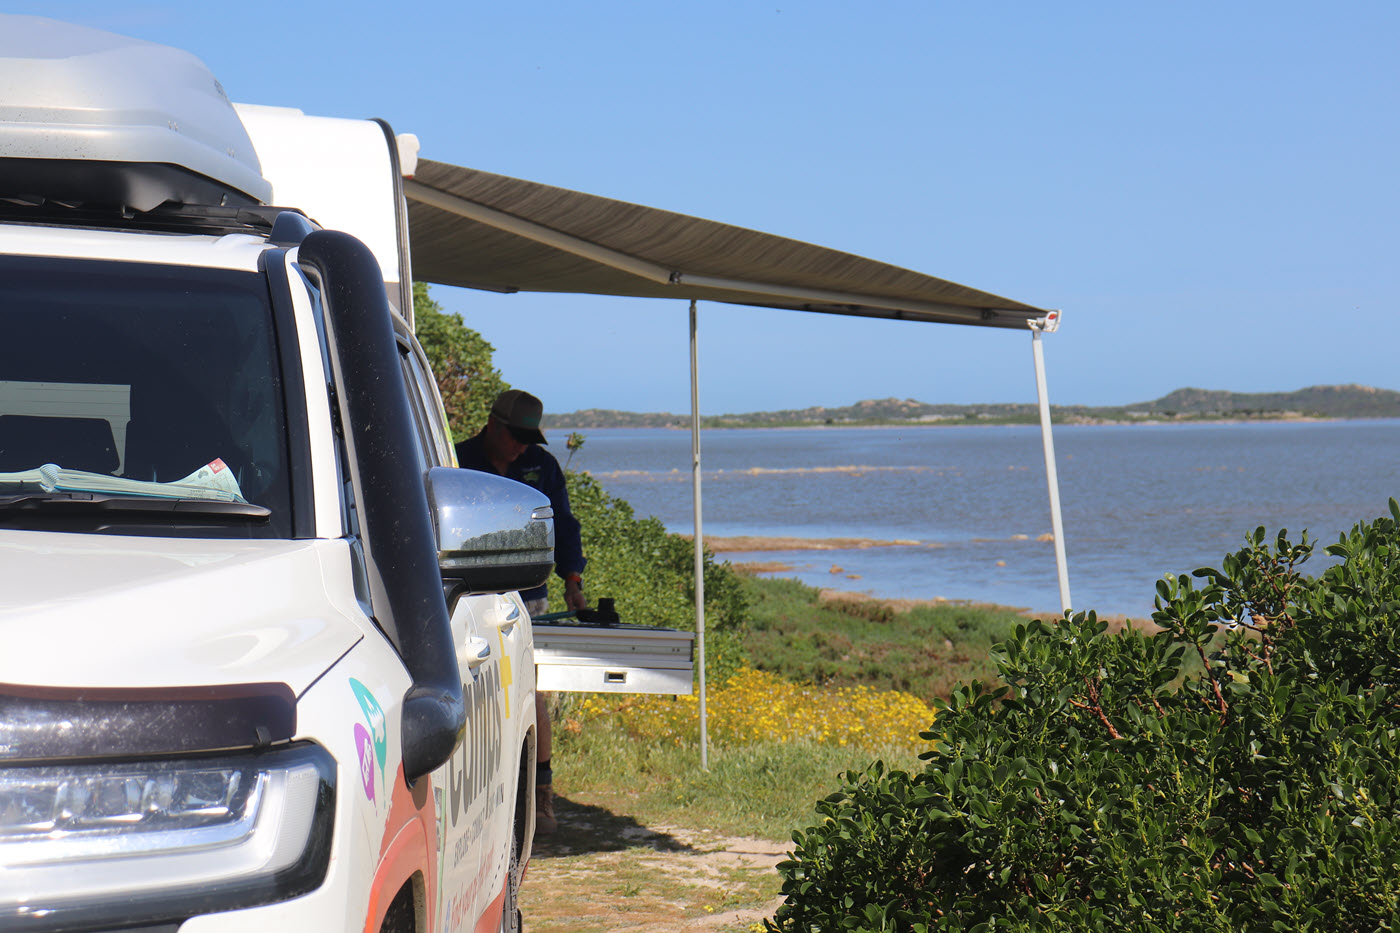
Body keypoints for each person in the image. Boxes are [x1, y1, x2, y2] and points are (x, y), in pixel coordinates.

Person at [455, 389, 585, 835]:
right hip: (469, 594)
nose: (522, 448)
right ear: (493, 425)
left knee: (531, 693)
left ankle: (540, 797)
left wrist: (573, 580)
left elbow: (564, 526)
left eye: (529, 440)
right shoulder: (459, 463)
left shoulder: (543, 468)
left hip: (529, 597)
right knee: (477, 690)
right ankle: (477, 794)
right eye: (515, 437)